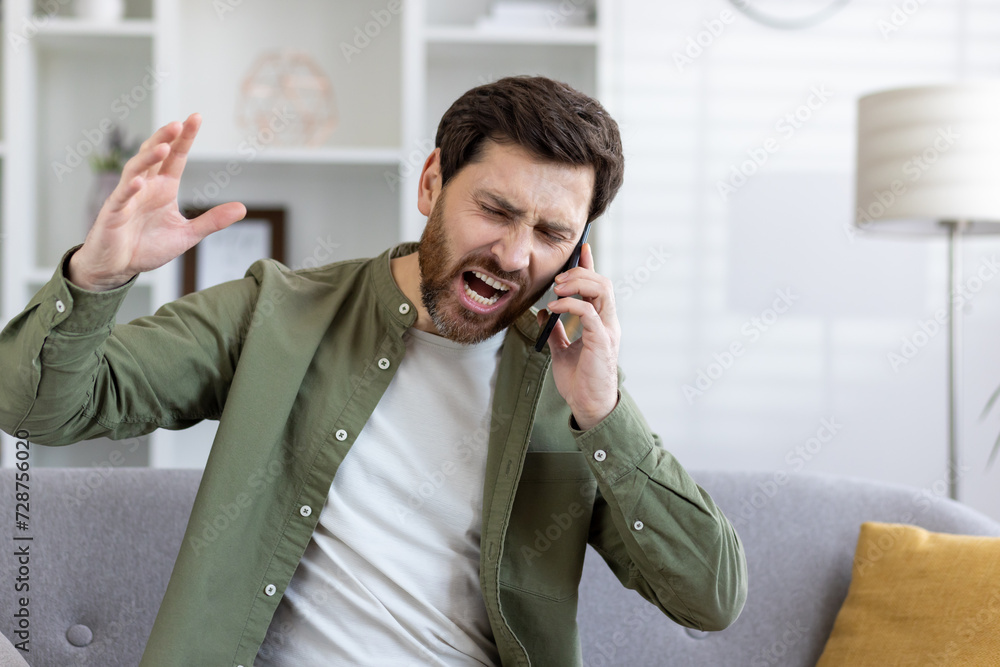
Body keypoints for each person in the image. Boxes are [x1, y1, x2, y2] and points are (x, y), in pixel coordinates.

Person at [0, 76, 746, 665]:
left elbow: (710, 598)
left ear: (579, 252)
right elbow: (38, 408)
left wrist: (605, 411)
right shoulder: (275, 314)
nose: (516, 255)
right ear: (432, 184)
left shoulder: (576, 384)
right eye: (496, 209)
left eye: (551, 233)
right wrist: (94, 280)